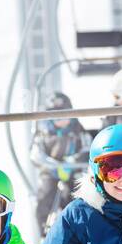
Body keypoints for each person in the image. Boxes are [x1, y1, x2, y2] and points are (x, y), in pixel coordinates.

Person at [32, 92, 91, 231]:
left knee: (76, 195)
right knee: (45, 196)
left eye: (66, 116)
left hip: (74, 171)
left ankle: (78, 228)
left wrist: (73, 162)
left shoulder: (77, 130)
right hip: (51, 172)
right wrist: (54, 166)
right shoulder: (44, 133)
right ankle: (44, 230)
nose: (63, 121)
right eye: (57, 117)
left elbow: (87, 148)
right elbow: (36, 154)